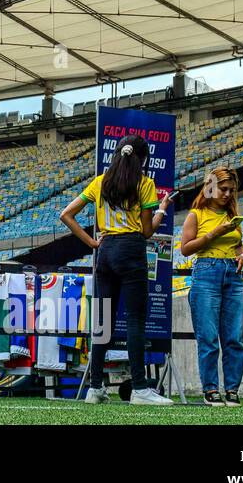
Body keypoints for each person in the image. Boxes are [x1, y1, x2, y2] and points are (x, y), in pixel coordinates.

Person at [60, 133, 174, 405]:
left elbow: (66, 214)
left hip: (106, 252)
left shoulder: (100, 182)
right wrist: (162, 209)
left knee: (102, 321)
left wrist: (91, 242)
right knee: (135, 320)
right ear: (142, 159)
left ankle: (95, 388)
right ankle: (140, 388)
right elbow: (147, 231)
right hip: (131, 250)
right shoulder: (145, 184)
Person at [180, 167, 243, 407]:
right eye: (223, 189)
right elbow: (185, 249)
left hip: (233, 275)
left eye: (232, 190)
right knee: (208, 337)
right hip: (206, 272)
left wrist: (242, 254)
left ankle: (232, 389)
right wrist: (214, 234)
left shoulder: (232, 216)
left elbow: (238, 245)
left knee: (234, 337)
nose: (228, 194)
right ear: (210, 187)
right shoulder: (196, 215)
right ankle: (210, 389)